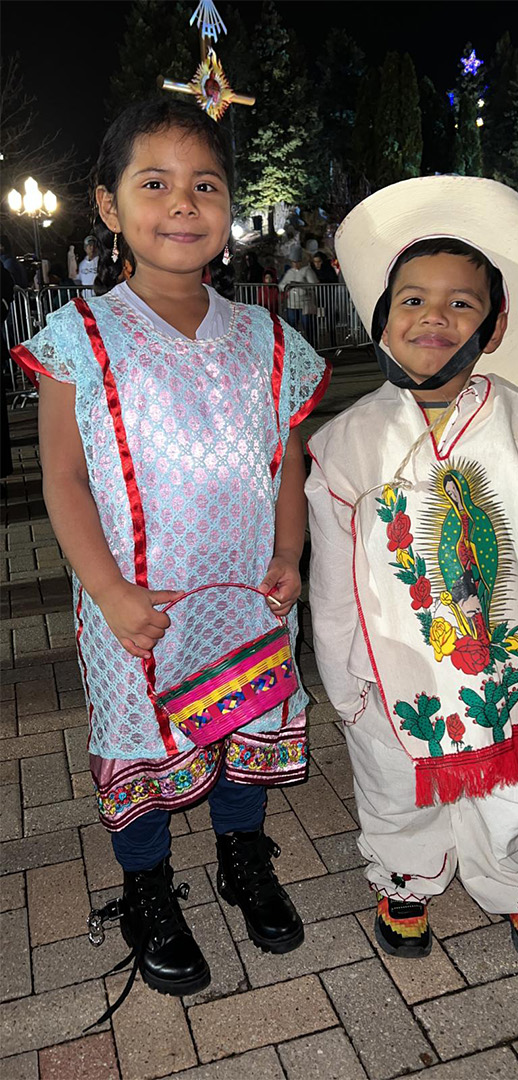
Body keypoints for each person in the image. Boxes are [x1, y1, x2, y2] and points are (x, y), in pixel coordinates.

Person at [7, 99, 323, 1009]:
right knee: (139, 735)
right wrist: (105, 589)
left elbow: (287, 459)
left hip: (250, 593)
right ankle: (145, 887)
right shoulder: (80, 338)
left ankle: (241, 856)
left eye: (205, 185)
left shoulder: (269, 338)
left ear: (228, 208)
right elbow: (63, 479)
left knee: (249, 716)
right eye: (155, 184)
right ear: (109, 207)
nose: (182, 204)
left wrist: (289, 554)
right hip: (136, 602)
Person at [306, 175, 518, 968]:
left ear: (492, 328)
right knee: (396, 772)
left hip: (501, 651)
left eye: (462, 303)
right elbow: (331, 575)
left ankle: (514, 879)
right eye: (413, 300)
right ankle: (405, 874)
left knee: (511, 785)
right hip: (391, 656)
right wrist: (344, 668)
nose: (435, 317)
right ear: (382, 319)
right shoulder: (349, 443)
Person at [279, 249, 319, 342]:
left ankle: (312, 343)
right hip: (292, 303)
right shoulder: (290, 272)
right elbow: (281, 285)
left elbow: (313, 284)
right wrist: (287, 286)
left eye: (297, 262)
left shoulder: (307, 270)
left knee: (307, 326)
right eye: (293, 262)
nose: (295, 264)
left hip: (304, 303)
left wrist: (299, 284)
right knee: (292, 325)